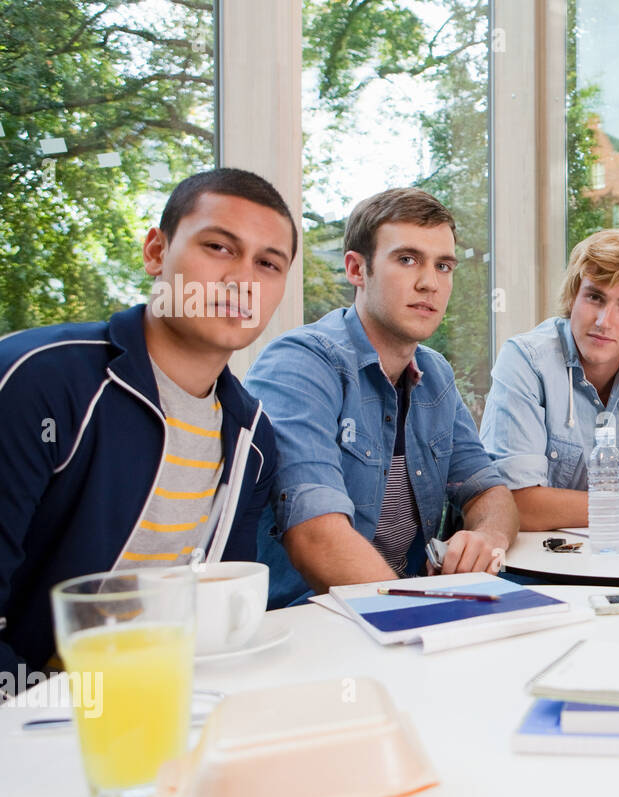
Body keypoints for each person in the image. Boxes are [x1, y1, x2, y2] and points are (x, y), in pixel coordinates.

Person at [0, 168, 293, 685]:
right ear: (156, 252)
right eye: (219, 248)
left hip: (171, 698)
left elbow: (222, 609)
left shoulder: (254, 436)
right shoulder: (38, 379)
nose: (242, 280)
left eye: (267, 264)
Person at [245, 188, 517, 609]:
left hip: (401, 612)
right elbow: (316, 536)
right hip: (310, 624)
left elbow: (490, 491)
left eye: (443, 266)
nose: (429, 282)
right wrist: (421, 613)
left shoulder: (435, 374)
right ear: (357, 268)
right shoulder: (300, 363)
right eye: (407, 260)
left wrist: (486, 536)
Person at [478, 228, 619, 531]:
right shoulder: (525, 358)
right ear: (573, 296)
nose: (604, 322)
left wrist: (556, 506)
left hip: (612, 550)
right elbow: (517, 506)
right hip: (530, 561)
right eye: (595, 297)